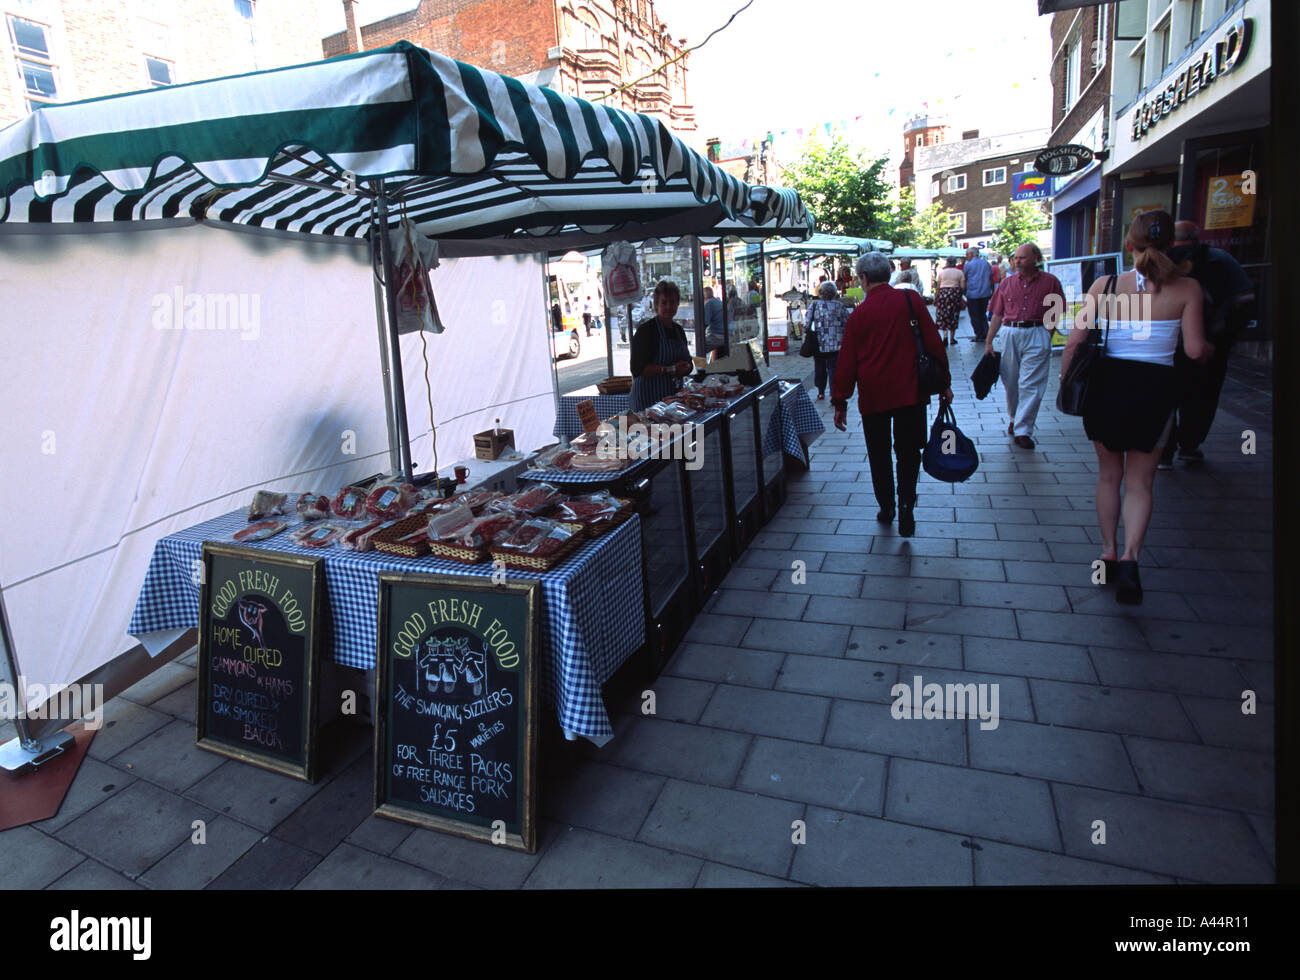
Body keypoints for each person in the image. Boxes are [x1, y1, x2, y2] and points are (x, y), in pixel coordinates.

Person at [1062, 210, 1212, 604]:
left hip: (1109, 387)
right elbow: (1195, 350)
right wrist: (1212, 347)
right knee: (1141, 483)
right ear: (1173, 247)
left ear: (1128, 245)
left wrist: (1065, 385)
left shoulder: (1105, 284)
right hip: (1156, 391)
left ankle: (1107, 552)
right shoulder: (1188, 289)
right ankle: (1131, 560)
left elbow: (1076, 342)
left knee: (1109, 476)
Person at [832, 252, 952, 537]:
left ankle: (887, 507)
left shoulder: (859, 314)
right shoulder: (911, 302)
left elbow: (847, 361)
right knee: (908, 452)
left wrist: (840, 401)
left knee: (879, 453)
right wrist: (944, 383)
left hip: (874, 396)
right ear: (889, 273)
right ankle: (907, 504)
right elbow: (934, 343)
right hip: (910, 391)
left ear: (863, 279)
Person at [1158, 220, 1257, 469]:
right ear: (1197, 236)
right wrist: (1224, 337)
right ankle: (1190, 446)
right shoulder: (1220, 260)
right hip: (1210, 344)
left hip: (1168, 344)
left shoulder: (1159, 260)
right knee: (1203, 395)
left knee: (1166, 395)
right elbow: (1246, 299)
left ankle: (1164, 451)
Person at [984, 242, 1065, 449]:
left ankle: (1023, 430)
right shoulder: (1007, 283)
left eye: (1023, 257)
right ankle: (1015, 416)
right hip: (1010, 332)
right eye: (1016, 258)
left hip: (1037, 331)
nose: (1018, 261)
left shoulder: (1050, 282)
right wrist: (989, 341)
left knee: (1031, 383)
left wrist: (1048, 333)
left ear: (1035, 258)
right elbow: (997, 313)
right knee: (1011, 380)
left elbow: (1056, 310)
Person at [629, 280, 693, 412]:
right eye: (664, 302)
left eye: (672, 302)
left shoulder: (678, 330)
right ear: (656, 305)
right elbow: (637, 368)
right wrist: (671, 369)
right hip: (647, 401)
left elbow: (688, 362)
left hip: (672, 400)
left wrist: (687, 367)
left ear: (677, 304)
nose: (668, 307)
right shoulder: (646, 331)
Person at [807, 280, 850, 401]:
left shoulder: (814, 305)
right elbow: (848, 321)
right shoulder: (839, 305)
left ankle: (821, 392)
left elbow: (806, 324)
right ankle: (832, 393)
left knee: (819, 367)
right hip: (835, 343)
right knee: (833, 369)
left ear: (820, 292)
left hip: (818, 343)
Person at [963, 247, 993, 343]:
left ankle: (979, 335)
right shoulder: (986, 263)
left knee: (974, 316)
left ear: (972, 254)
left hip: (973, 294)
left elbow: (965, 277)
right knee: (983, 314)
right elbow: (990, 276)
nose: (966, 256)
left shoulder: (968, 265)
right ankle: (986, 333)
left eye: (967, 254)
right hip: (985, 293)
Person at [934, 258, 964, 346]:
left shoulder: (942, 272)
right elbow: (963, 287)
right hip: (954, 294)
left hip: (943, 294)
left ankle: (945, 336)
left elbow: (938, 287)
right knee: (953, 315)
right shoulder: (959, 272)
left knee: (943, 315)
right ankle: (952, 338)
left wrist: (936, 298)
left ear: (947, 263)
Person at [703, 286, 728, 361]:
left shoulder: (708, 303)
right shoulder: (718, 301)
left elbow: (705, 323)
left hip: (716, 336)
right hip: (724, 335)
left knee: (700, 347)